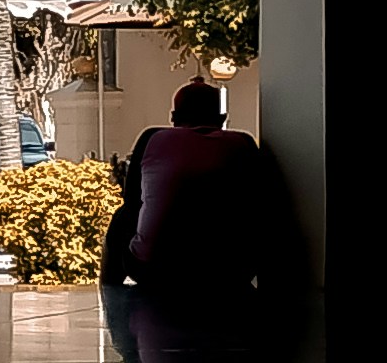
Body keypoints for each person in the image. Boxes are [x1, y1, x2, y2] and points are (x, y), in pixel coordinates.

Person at [102, 79, 302, 307]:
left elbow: (132, 201)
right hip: (231, 273)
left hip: (156, 271)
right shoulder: (243, 143)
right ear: (221, 119)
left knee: (121, 216)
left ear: (173, 119)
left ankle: (110, 302)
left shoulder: (152, 138)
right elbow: (262, 202)